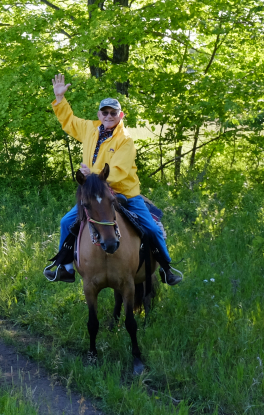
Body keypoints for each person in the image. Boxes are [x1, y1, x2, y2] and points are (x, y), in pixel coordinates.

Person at [44, 74, 182, 285]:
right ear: (99, 114)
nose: (109, 116)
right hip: (96, 194)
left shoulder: (125, 140)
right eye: (105, 112)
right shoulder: (90, 129)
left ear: (120, 115)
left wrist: (91, 173)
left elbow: (118, 170)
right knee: (66, 222)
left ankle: (166, 268)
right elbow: (69, 121)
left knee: (152, 229)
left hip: (125, 193)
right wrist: (60, 99)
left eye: (113, 113)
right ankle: (66, 268)